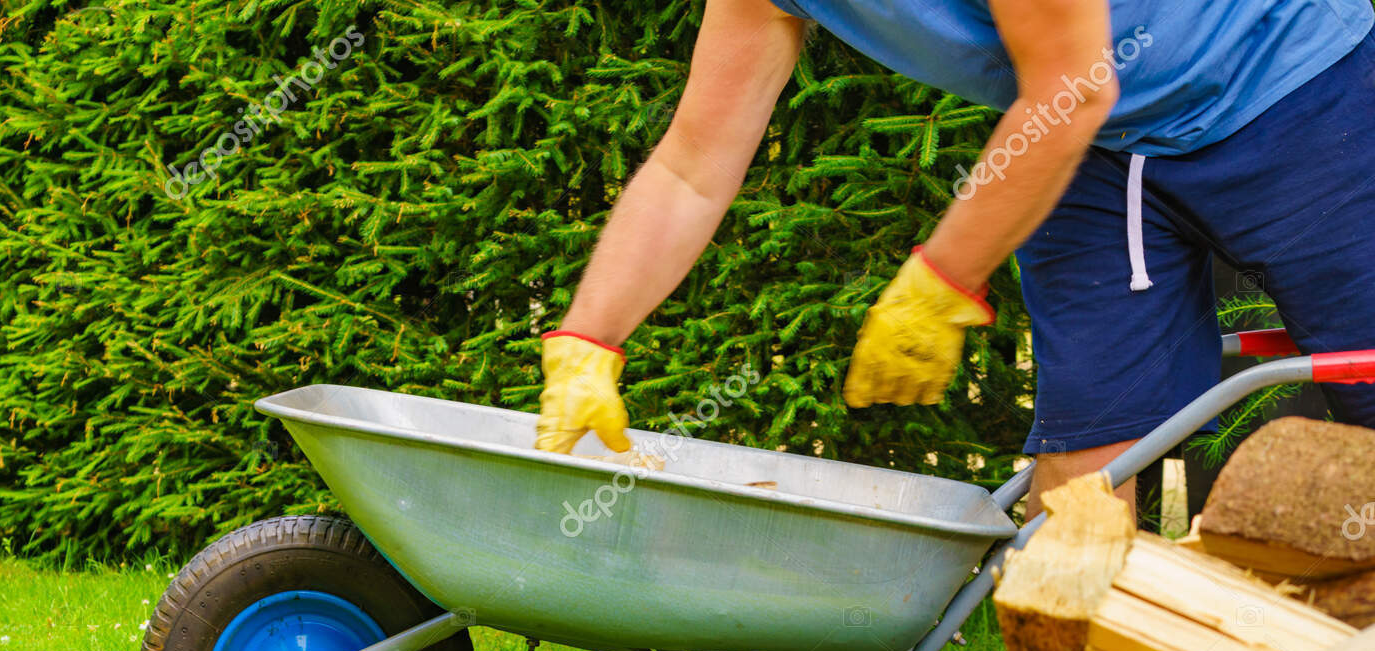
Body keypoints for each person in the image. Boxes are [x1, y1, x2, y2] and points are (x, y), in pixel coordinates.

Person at [534, 0, 1375, 516]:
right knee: (1083, 486)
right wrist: (588, 340)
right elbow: (691, 167)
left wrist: (938, 283)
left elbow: (1075, 85)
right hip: (1090, 138)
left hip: (1298, 78)